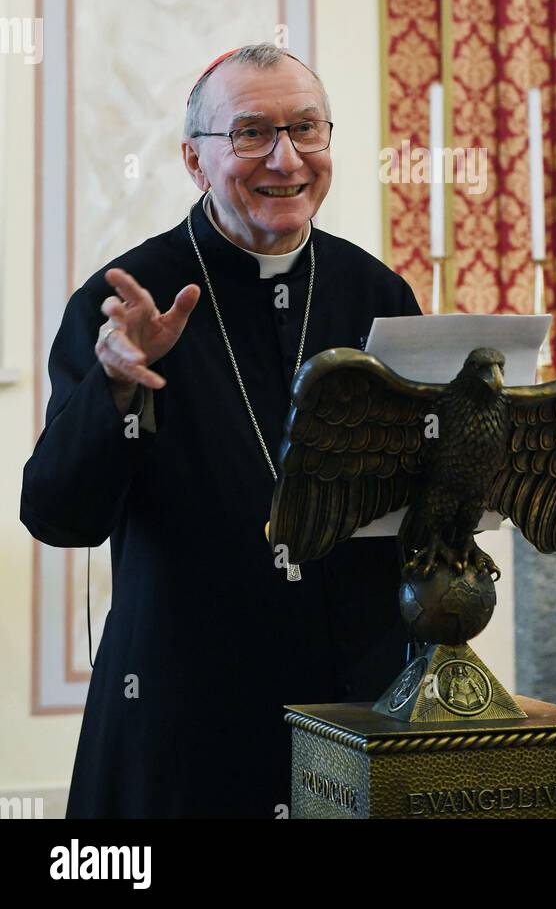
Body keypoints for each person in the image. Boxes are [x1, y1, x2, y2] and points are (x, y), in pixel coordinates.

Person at [21, 43, 423, 818]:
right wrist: (113, 387)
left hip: (352, 703)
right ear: (195, 160)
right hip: (186, 707)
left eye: (306, 128)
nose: (286, 157)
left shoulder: (377, 292)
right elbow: (58, 516)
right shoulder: (125, 303)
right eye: (251, 133)